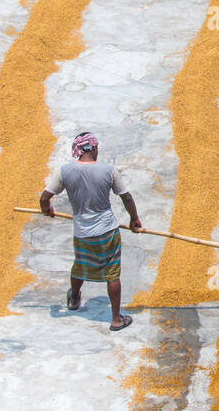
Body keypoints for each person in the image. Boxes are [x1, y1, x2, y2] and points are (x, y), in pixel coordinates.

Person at [40, 132, 143, 331]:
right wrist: (134, 219)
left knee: (80, 264)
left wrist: (47, 210)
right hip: (107, 231)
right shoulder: (108, 171)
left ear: (78, 151)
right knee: (112, 274)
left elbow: (45, 198)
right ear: (94, 148)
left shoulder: (65, 171)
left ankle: (74, 299)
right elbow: (127, 197)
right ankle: (115, 319)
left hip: (82, 232)